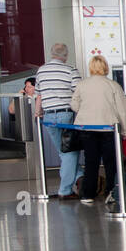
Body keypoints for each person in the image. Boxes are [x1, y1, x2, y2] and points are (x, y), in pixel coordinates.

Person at [70, 55, 126, 206]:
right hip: (108, 128)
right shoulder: (113, 85)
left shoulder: (82, 85)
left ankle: (87, 194)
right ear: (105, 67)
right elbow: (122, 110)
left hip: (87, 129)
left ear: (91, 67)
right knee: (111, 163)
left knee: (91, 162)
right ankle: (111, 192)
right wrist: (125, 130)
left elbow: (74, 105)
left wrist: (85, 111)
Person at [33, 43, 83, 199]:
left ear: (51, 54)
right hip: (66, 115)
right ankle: (65, 190)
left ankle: (80, 178)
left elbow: (38, 95)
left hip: (48, 116)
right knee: (70, 153)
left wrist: (37, 112)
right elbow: (79, 93)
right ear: (65, 56)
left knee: (64, 152)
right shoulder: (70, 70)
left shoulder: (41, 71)